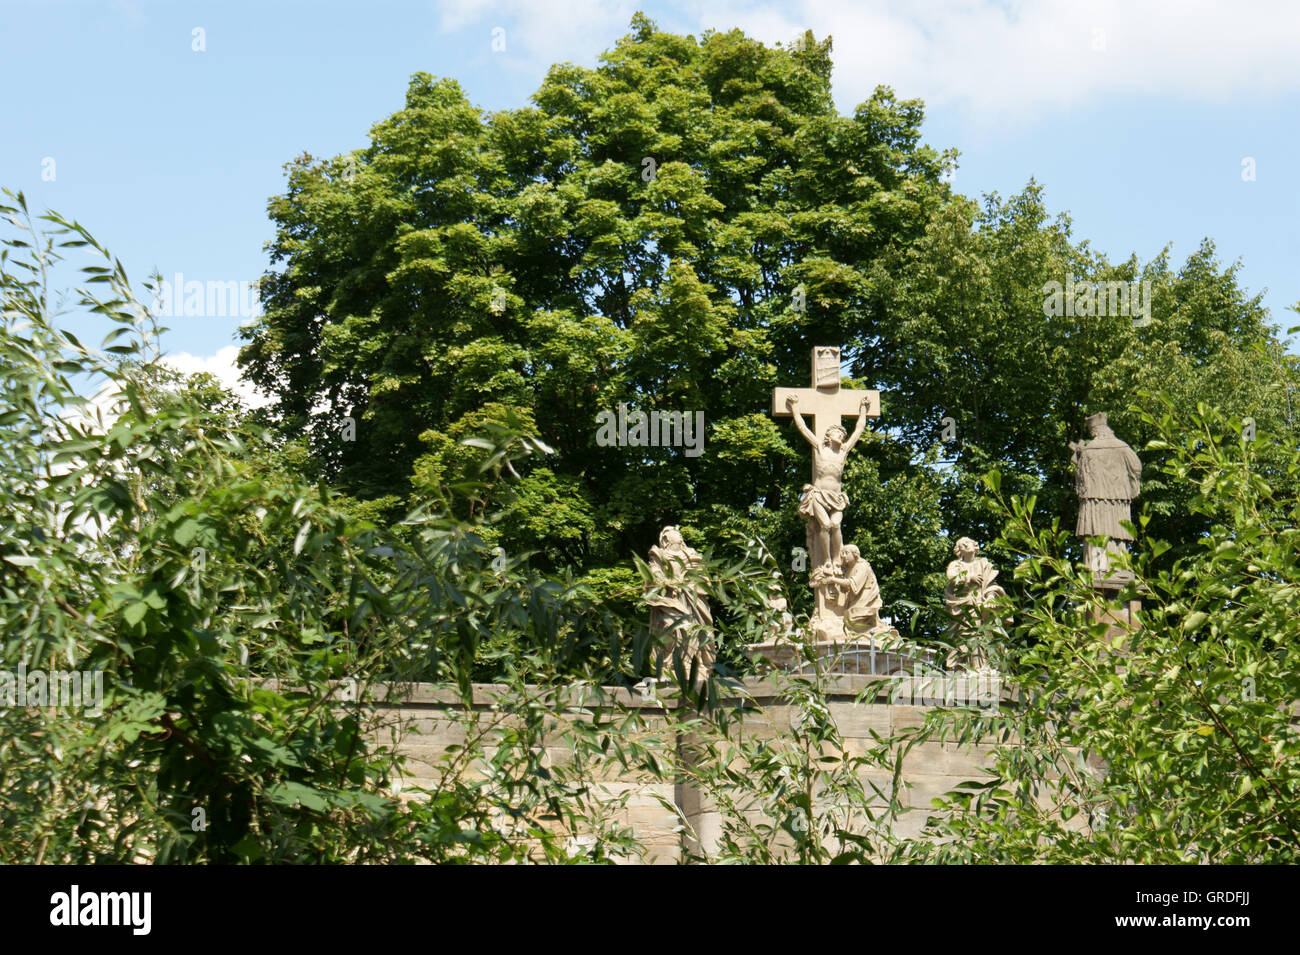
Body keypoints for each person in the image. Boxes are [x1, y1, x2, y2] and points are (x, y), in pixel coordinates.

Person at [786, 393, 871, 569]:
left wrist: (863, 409)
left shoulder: (844, 451)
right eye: (837, 432)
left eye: (842, 434)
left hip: (837, 497)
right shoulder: (819, 448)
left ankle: (837, 560)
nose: (841, 435)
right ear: (828, 435)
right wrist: (795, 407)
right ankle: (826, 562)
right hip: (818, 495)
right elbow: (803, 428)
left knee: (835, 524)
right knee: (825, 525)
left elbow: (859, 430)